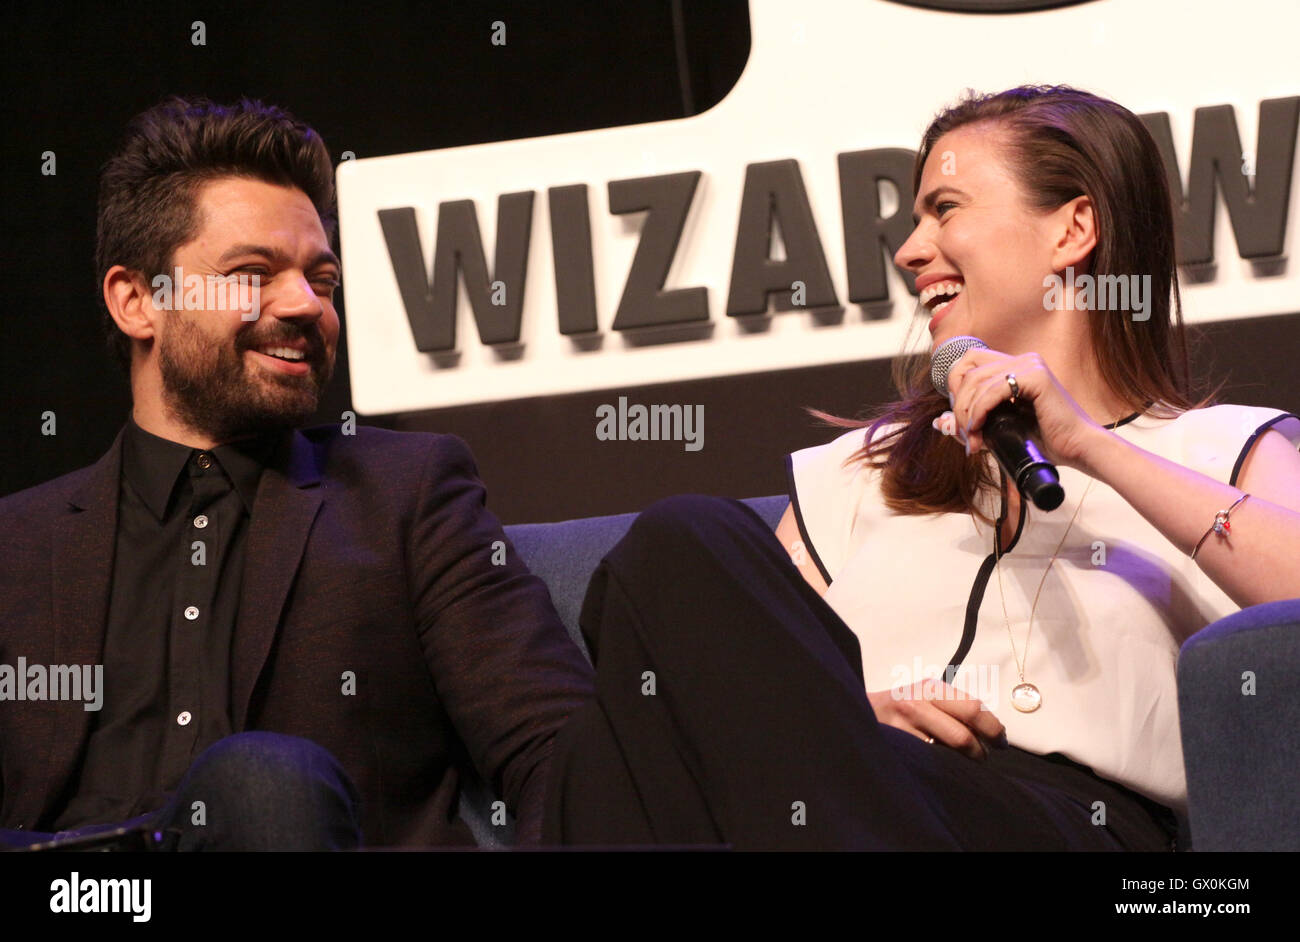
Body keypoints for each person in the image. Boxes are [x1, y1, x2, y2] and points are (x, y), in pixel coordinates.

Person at [541, 85, 1300, 851]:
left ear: (1073, 230)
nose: (909, 250)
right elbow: (745, 681)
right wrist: (851, 714)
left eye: (945, 209)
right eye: (914, 219)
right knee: (680, 544)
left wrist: (1090, 447)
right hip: (855, 793)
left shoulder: (1220, 450)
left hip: (1070, 828)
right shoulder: (859, 474)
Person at [0, 96, 594, 850]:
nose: (305, 304)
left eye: (322, 278)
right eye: (253, 272)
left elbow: (561, 753)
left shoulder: (407, 497)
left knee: (261, 781)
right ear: (137, 301)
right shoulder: (15, 547)